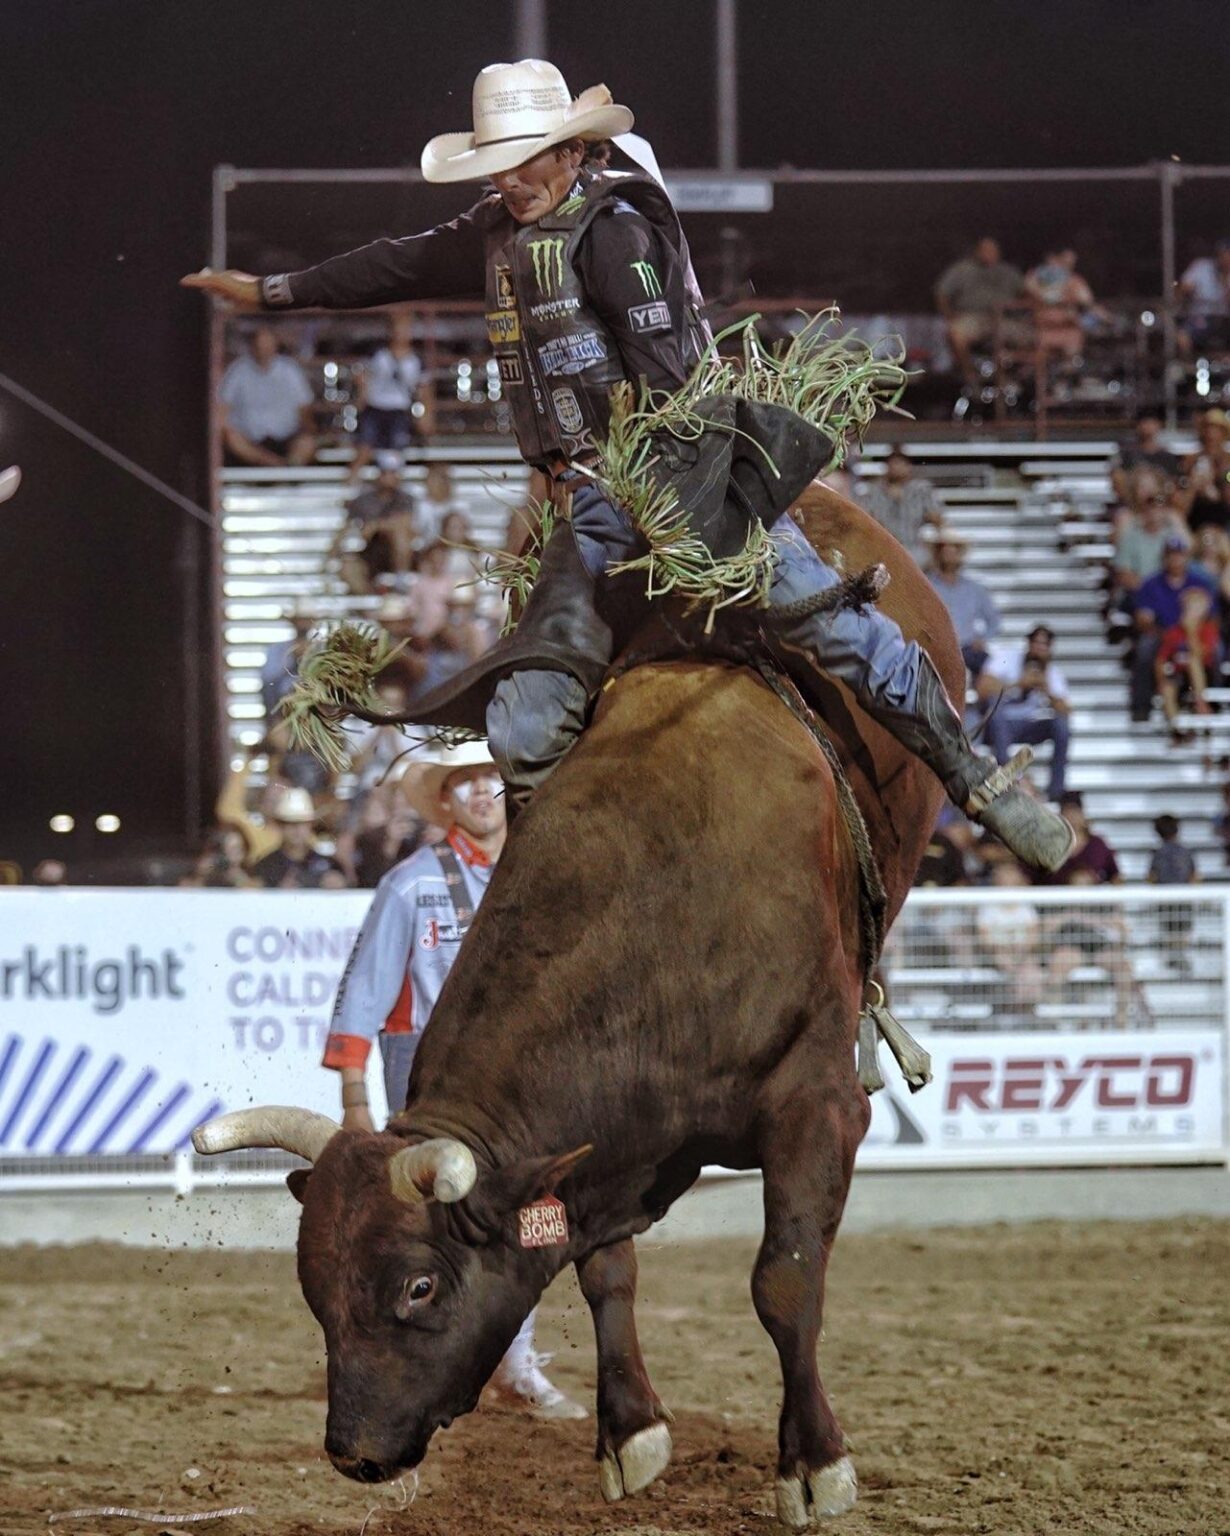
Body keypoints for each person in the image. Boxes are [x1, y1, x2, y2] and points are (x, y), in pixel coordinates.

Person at [183, 58, 1072, 872]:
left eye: (526, 159)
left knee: (819, 620)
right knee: (525, 720)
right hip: (590, 502)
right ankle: (558, 887)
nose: (509, 177)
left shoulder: (614, 230)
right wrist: (271, 292)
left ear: (573, 152)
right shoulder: (497, 229)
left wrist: (679, 508)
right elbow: (395, 265)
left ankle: (975, 777)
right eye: (499, 162)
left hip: (683, 478)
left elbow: (669, 379)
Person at [319, 740, 585, 1421]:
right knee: (433, 1231)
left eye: (491, 778)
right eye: (464, 782)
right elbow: (366, 989)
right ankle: (443, 1355)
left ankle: (515, 1359)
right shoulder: (412, 883)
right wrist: (354, 1095)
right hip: (431, 1083)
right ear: (445, 801)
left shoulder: (542, 875)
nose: (479, 792)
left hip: (520, 1084)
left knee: (524, 1215)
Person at [976, 625, 1072, 800]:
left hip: (1028, 726)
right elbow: (982, 689)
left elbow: (1067, 710)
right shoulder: (1008, 658)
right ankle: (1005, 773)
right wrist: (1018, 684)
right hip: (998, 725)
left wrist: (1048, 691)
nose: (1039, 650)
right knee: (995, 711)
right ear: (1028, 644)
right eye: (1036, 644)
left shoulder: (1052, 673)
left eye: (1044, 646)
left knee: (1061, 725)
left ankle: (1056, 790)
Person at [1129, 536, 1219, 722]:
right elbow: (1142, 617)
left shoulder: (1199, 583)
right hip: (1163, 634)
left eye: (1179, 555)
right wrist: (1150, 623)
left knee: (1217, 649)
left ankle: (1213, 700)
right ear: (1164, 557)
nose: (1175, 560)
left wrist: (1193, 628)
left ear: (1186, 557)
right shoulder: (1152, 584)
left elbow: (1211, 615)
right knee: (1146, 648)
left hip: (1195, 633)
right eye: (1171, 555)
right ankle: (1141, 706)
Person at [219, 325, 317, 466]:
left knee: (307, 443)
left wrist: (307, 431)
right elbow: (223, 408)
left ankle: (289, 467)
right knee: (232, 438)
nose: (263, 349)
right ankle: (273, 464)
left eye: (267, 344)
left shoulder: (290, 370)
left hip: (286, 440)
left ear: (275, 345)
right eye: (259, 345)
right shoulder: (237, 371)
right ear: (252, 346)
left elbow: (304, 409)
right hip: (251, 442)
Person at [347, 311, 425, 484]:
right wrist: (361, 399)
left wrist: (424, 418)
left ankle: (392, 490)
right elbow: (362, 377)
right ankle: (349, 486)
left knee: (395, 455)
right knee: (364, 449)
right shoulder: (377, 355)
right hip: (375, 408)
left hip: (399, 411)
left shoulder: (416, 360)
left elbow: (422, 389)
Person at [934, 237, 1026, 382]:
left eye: (993, 250)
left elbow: (1027, 293)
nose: (989, 254)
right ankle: (970, 376)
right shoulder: (962, 269)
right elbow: (942, 293)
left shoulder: (1009, 272)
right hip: (972, 317)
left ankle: (1017, 378)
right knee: (956, 334)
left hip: (1004, 318)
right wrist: (949, 315)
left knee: (1034, 338)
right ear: (977, 251)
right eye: (985, 250)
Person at [330, 452, 420, 588]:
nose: (389, 477)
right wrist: (333, 553)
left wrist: (376, 526)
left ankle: (401, 580)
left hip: (399, 552)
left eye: (393, 473)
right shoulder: (364, 500)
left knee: (400, 534)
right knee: (348, 567)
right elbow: (347, 528)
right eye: (385, 472)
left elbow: (405, 523)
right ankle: (368, 603)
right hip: (372, 551)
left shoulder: (405, 499)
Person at [922, 523, 1001, 678]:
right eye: (945, 551)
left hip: (968, 649)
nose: (950, 556)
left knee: (988, 669)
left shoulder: (974, 588)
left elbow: (994, 619)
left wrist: (982, 640)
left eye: (953, 551)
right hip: (937, 650)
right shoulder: (927, 586)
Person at [1156, 586, 1222, 741]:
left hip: (1205, 674)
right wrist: (1160, 680)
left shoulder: (1208, 630)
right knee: (1167, 687)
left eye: (1197, 607)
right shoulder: (1174, 632)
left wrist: (1191, 631)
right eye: (1190, 606)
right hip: (1180, 676)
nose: (1193, 611)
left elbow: (1201, 654)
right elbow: (1160, 659)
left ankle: (1200, 703)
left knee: (1193, 661)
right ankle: (1179, 730)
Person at [853, 446, 943, 559]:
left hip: (914, 546)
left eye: (901, 463)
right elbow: (863, 517)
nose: (897, 467)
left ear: (908, 467)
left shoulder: (921, 490)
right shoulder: (873, 491)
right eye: (893, 463)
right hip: (883, 545)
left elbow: (937, 519)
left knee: (922, 556)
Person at [248, 787, 336, 889]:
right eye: (290, 823)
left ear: (310, 825)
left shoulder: (328, 864)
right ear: (280, 826)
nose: (296, 829)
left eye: (302, 823)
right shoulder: (265, 866)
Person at [1023, 247, 1099, 358]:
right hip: (1042, 329)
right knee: (1039, 359)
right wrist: (1050, 295)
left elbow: (1087, 300)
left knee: (1072, 356)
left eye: (1071, 263)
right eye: (1064, 262)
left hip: (1068, 329)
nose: (1067, 266)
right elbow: (1030, 288)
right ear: (1055, 259)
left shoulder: (1075, 280)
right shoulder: (1036, 277)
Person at [1035, 792, 1121, 887]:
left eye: (1075, 812)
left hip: (1090, 899)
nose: (1071, 817)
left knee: (1081, 881)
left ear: (1082, 814)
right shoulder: (1048, 846)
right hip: (1056, 899)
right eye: (1067, 812)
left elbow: (1115, 875)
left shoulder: (1097, 845)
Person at [1177, 408, 1230, 535]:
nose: (1211, 434)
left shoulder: (1228, 460)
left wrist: (1220, 476)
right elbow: (1181, 504)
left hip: (1224, 516)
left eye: (1216, 430)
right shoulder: (1190, 461)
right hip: (1196, 515)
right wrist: (1195, 485)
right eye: (1208, 429)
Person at [1110, 411, 1181, 503]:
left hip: (1161, 504)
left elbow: (1173, 483)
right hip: (1132, 505)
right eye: (1145, 422)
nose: (1148, 426)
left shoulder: (1168, 457)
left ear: (1158, 425)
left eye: (1151, 422)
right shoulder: (1127, 455)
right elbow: (1117, 479)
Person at [1177, 241, 1230, 355]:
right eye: (1224, 254)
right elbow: (1184, 289)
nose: (1226, 258)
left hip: (1225, 319)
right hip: (1201, 317)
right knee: (1183, 335)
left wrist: (1225, 279)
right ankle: (1189, 367)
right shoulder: (1202, 266)